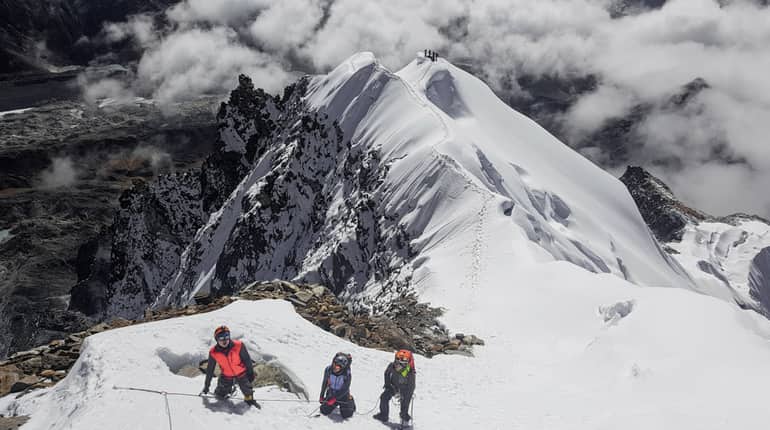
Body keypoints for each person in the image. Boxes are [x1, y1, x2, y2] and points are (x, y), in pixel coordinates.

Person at [200, 325, 260, 408]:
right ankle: (227, 391)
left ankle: (249, 400)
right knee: (220, 395)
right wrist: (206, 386)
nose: (224, 340)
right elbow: (210, 370)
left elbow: (247, 360)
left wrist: (250, 374)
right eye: (221, 338)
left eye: (226, 337)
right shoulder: (213, 352)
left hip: (241, 372)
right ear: (216, 339)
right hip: (226, 375)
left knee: (247, 390)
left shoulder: (238, 345)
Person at [373, 349, 416, 423]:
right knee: (384, 398)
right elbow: (386, 373)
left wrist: (405, 395)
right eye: (398, 359)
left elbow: (411, 386)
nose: (399, 362)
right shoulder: (392, 365)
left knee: (404, 407)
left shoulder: (410, 372)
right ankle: (384, 415)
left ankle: (404, 419)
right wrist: (388, 385)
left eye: (402, 360)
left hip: (405, 390)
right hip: (394, 386)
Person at [319, 352, 356, 418]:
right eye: (335, 364)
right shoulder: (328, 370)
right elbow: (324, 383)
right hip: (332, 393)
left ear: (342, 367)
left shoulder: (347, 374)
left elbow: (345, 389)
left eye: (338, 366)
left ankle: (351, 401)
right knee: (324, 410)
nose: (335, 367)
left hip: (343, 395)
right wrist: (321, 395)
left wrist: (334, 399)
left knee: (346, 415)